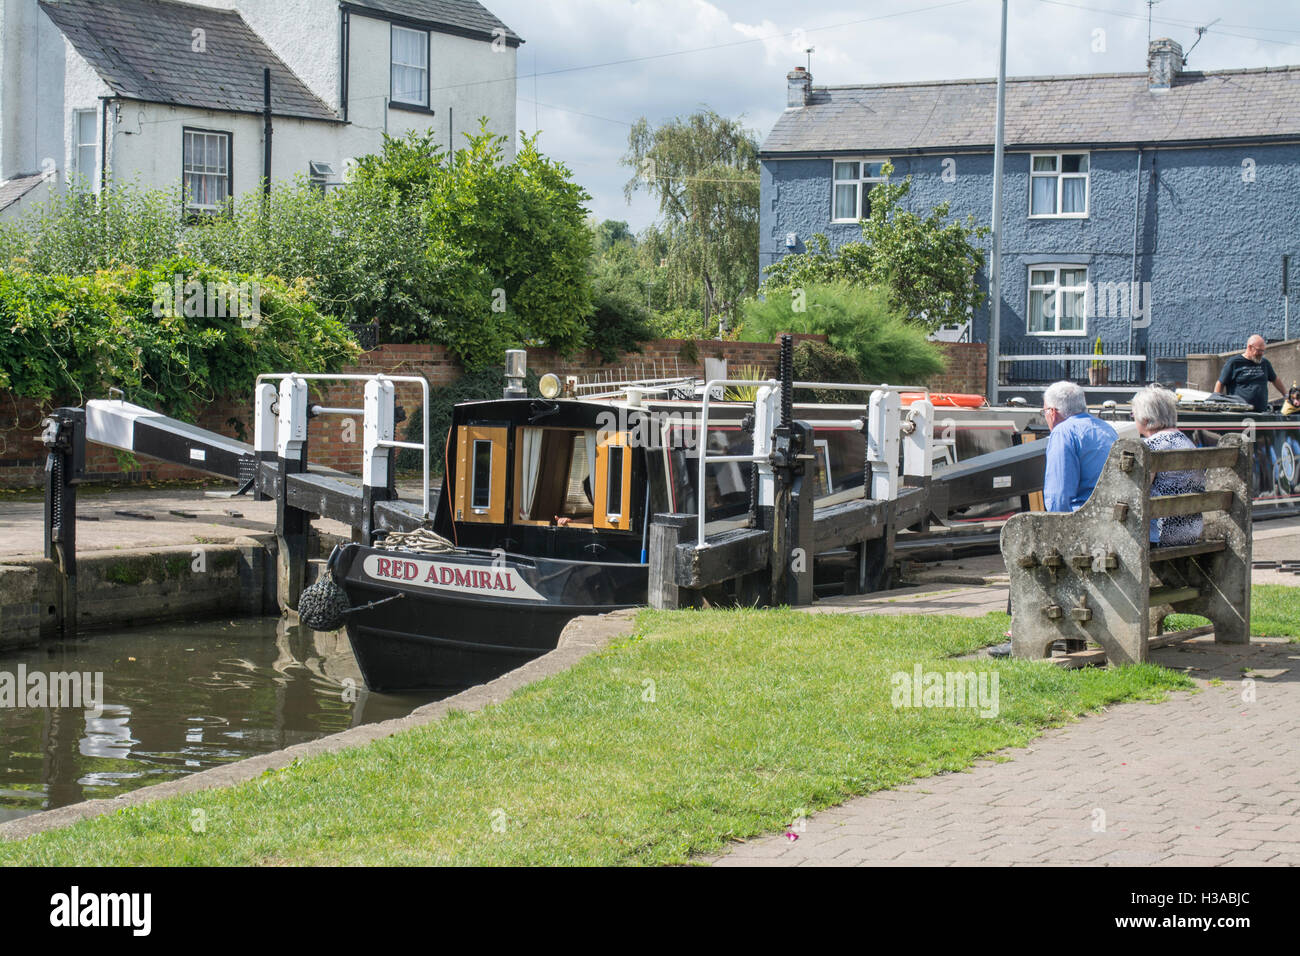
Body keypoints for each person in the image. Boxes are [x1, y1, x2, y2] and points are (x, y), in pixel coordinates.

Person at [991, 381, 1117, 657]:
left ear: (1052, 412)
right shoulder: (1107, 430)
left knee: (1025, 548)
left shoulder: (1063, 433)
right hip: (1111, 528)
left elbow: (1058, 498)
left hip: (1083, 529)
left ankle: (1024, 634)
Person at [1131, 386, 1204, 547]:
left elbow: (1137, 490)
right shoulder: (1186, 442)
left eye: (1133, 415)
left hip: (1163, 534)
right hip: (1191, 530)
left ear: (1145, 419)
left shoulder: (1152, 445)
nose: (1133, 419)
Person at [1215, 335, 1285, 413]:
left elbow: (1275, 379)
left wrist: (1286, 395)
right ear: (1249, 347)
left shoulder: (1265, 363)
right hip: (1239, 412)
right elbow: (1220, 383)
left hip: (1261, 412)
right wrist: (1216, 402)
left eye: (1263, 351)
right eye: (1259, 350)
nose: (1261, 353)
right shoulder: (1234, 362)